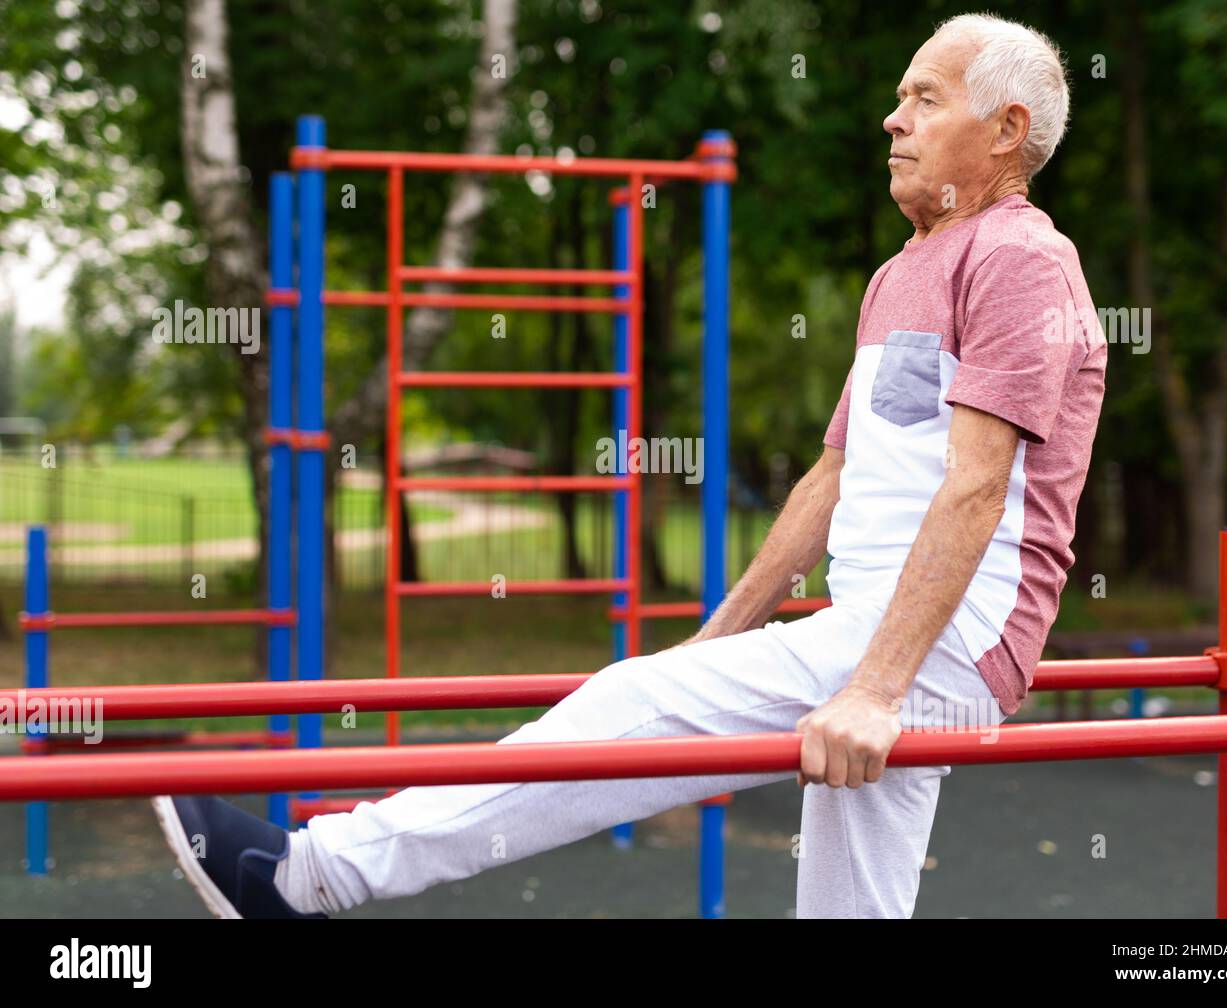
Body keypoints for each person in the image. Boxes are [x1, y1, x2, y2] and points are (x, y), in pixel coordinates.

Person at [154, 11, 1106, 919]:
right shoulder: (902, 270)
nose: (894, 117)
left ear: (1006, 129)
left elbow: (980, 485)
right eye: (900, 95)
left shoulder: (1023, 259)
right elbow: (831, 477)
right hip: (879, 635)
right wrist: (719, 635)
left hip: (943, 635)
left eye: (926, 97)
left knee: (630, 704)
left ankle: (311, 875)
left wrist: (875, 686)